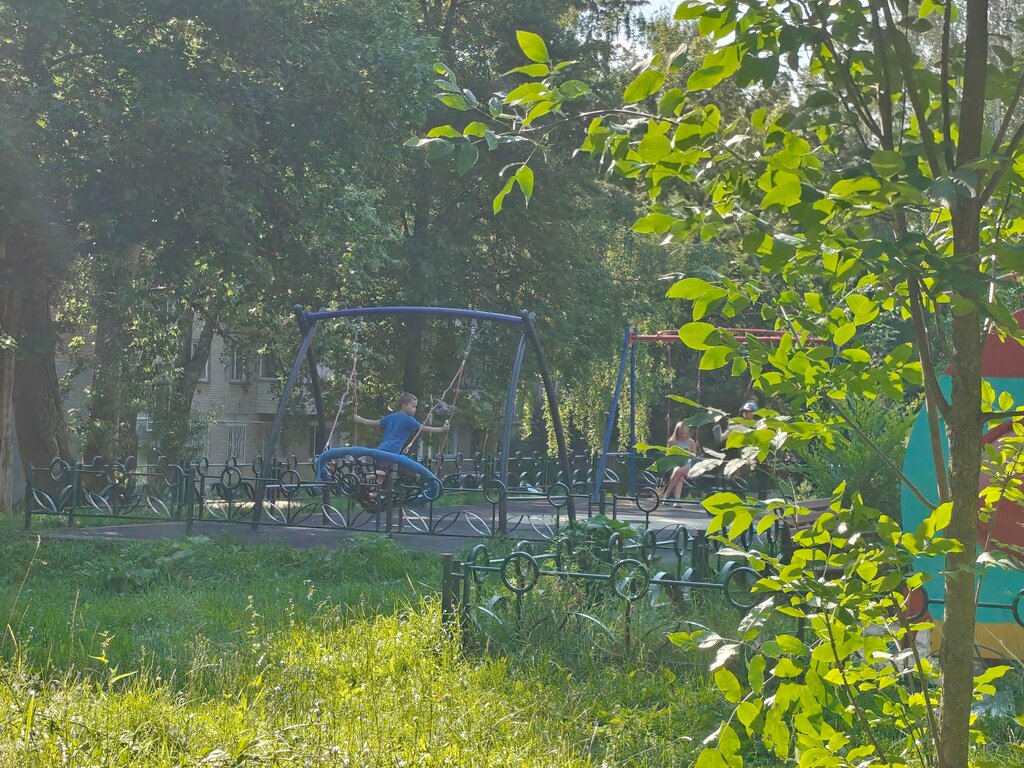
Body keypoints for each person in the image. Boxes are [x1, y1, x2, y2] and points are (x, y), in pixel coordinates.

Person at [354, 392, 449, 455]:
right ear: (404, 405)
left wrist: (360, 419)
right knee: (381, 474)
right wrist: (441, 429)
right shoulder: (409, 420)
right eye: (413, 406)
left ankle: (371, 479)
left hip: (382, 448)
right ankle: (370, 480)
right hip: (392, 451)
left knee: (382, 474)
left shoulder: (391, 416)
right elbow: (423, 428)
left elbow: (375, 423)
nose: (415, 409)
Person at [664, 421, 698, 500]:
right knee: (680, 478)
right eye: (681, 433)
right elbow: (668, 454)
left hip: (688, 464)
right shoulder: (672, 442)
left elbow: (694, 456)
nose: (683, 435)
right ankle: (677, 500)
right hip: (676, 463)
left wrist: (688, 455)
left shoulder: (691, 442)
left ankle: (666, 495)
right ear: (677, 432)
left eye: (684, 433)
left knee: (678, 471)